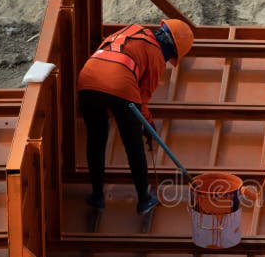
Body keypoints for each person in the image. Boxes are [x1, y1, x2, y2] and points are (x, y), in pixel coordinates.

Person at [76, 19, 194, 214]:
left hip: (87, 78)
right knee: (133, 145)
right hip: (121, 84)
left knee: (96, 139)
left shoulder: (133, 29)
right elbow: (143, 99)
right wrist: (148, 127)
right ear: (170, 49)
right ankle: (144, 199)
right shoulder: (157, 56)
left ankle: (97, 196)